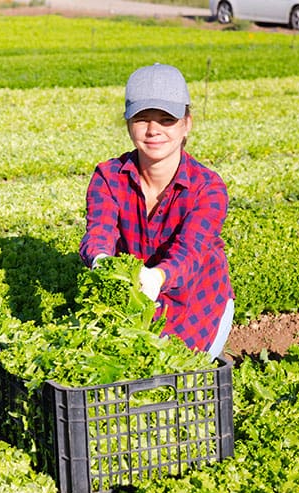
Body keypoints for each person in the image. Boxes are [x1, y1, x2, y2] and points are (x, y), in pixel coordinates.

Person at [79, 63, 234, 360]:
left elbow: (190, 252)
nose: (153, 130)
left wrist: (158, 277)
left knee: (176, 380)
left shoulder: (208, 188)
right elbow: (99, 232)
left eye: (166, 119)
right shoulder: (108, 177)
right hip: (136, 300)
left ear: (186, 123)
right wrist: (101, 261)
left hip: (198, 302)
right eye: (142, 118)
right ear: (127, 123)